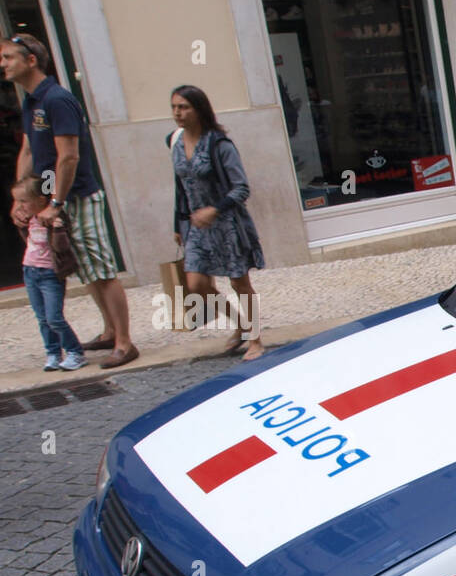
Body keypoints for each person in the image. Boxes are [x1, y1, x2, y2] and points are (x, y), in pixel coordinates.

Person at [0, 33, 136, 368]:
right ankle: (108, 331)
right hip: (51, 199)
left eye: (8, 57)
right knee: (86, 270)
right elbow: (30, 149)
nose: (2, 64)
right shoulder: (32, 101)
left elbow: (69, 157)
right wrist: (22, 198)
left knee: (102, 270)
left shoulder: (57, 99)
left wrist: (57, 203)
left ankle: (124, 342)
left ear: (31, 60)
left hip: (76, 197)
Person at [169, 85, 266, 360]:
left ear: (199, 109)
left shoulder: (219, 144)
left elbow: (241, 188)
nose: (178, 113)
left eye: (184, 107)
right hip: (196, 226)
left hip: (227, 224)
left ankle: (256, 339)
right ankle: (241, 325)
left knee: (240, 283)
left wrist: (216, 209)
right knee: (196, 284)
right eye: (175, 107)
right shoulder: (176, 143)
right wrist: (178, 223)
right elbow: (180, 186)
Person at [12, 174, 82, 370]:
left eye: (24, 201)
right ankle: (53, 353)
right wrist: (21, 225)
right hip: (30, 271)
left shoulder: (55, 219)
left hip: (49, 274)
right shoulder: (31, 219)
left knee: (54, 318)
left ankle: (75, 352)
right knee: (42, 318)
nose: (20, 206)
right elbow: (29, 240)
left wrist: (58, 230)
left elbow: (62, 248)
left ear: (41, 200)